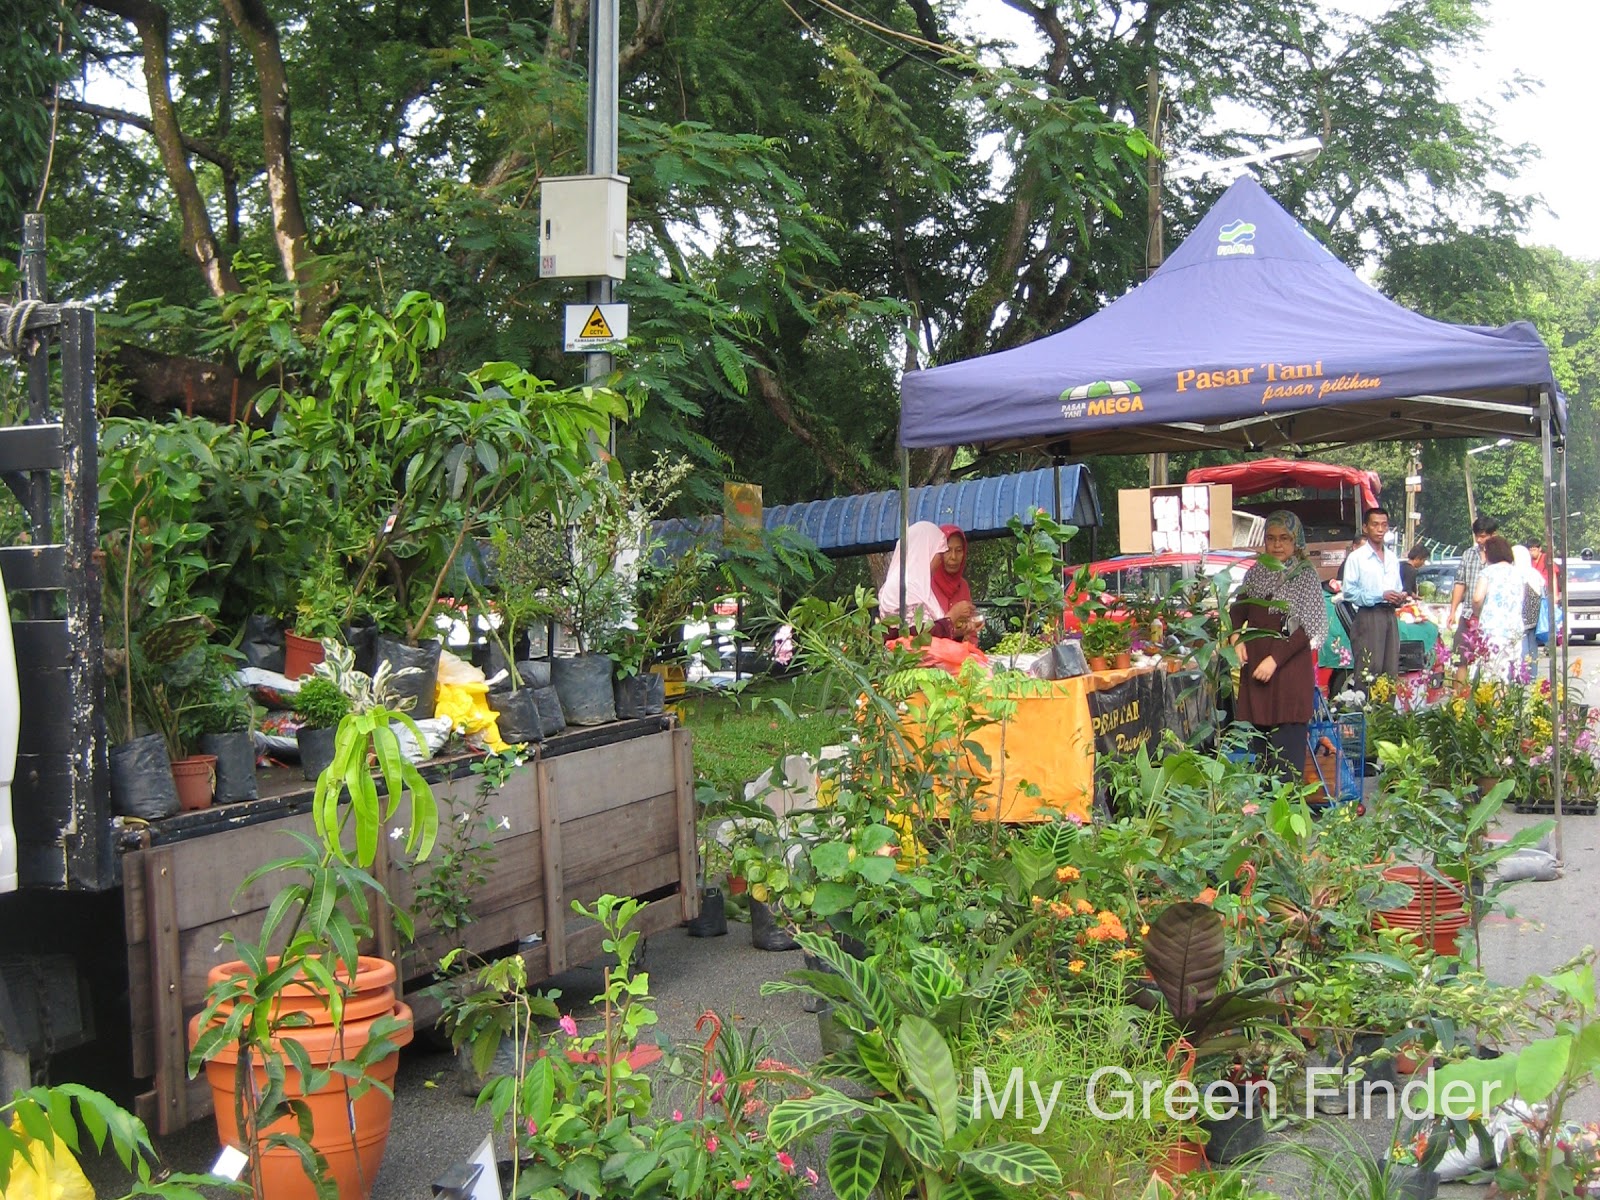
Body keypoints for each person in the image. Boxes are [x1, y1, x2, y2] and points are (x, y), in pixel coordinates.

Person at [1230, 512, 1329, 787]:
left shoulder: (1305, 576)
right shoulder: (1257, 572)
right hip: (1258, 678)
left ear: (1296, 541)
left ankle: (1285, 812)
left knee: (1286, 767)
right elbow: (1238, 609)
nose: (1276, 545)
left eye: (1284, 538)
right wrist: (1236, 636)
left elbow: (1304, 627)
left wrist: (1274, 659)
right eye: (1271, 538)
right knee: (1261, 761)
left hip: (1288, 678)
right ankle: (1262, 812)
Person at [1341, 507, 1405, 683]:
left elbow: (1397, 587)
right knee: (1369, 669)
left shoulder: (1392, 558)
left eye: (1384, 525)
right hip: (1368, 615)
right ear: (1365, 527)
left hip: (1390, 614)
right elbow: (1349, 592)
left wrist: (1400, 597)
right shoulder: (1357, 558)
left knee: (1390, 669)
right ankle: (1364, 701)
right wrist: (1380, 595)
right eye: (1375, 525)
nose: (1380, 529)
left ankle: (1387, 702)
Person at [1473, 536, 1526, 682]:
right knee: (1512, 672)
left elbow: (1477, 598)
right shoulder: (1519, 574)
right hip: (1515, 629)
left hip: (1492, 629)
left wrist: (1477, 613)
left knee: (1492, 675)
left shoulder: (1488, 572)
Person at [878, 522, 949, 629]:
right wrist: (952, 617)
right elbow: (919, 634)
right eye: (939, 554)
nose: (941, 561)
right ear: (925, 552)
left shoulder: (913, 584)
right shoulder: (908, 588)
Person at [1447, 516, 1497, 654]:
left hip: (1491, 616)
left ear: (1493, 535)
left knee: (1488, 656)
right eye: (1477, 536)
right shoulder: (1468, 554)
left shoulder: (1499, 557)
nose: (1479, 540)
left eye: (1483, 536)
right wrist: (1453, 611)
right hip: (1468, 613)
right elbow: (1460, 583)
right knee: (1460, 655)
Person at [1513, 544, 1546, 666]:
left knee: (1521, 646)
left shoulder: (1514, 573)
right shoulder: (1534, 573)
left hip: (1520, 615)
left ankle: (1523, 671)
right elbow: (1543, 590)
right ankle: (1533, 672)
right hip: (1535, 615)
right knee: (1532, 645)